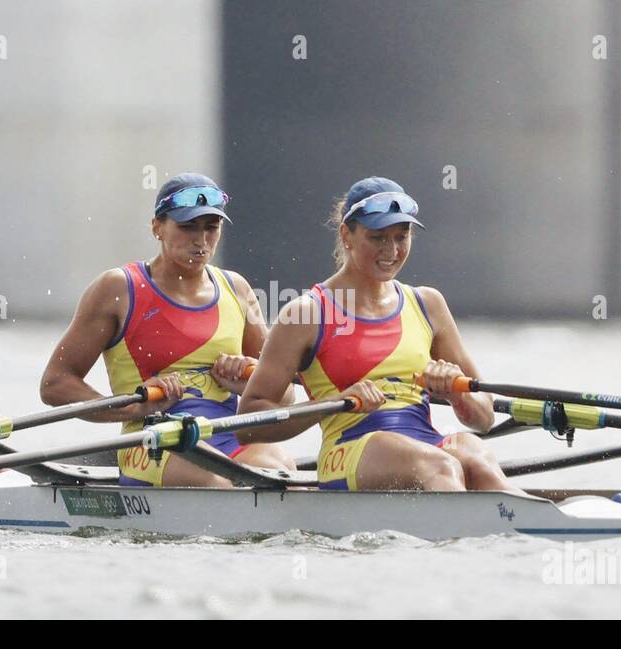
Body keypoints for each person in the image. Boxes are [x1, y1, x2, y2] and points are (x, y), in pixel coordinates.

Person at [238, 176, 508, 491]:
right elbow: (249, 423)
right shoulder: (306, 313)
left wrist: (456, 395)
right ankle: (468, 533)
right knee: (442, 466)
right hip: (348, 450)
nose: (391, 250)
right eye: (377, 237)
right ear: (347, 235)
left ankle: (529, 531)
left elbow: (484, 418)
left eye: (401, 236)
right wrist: (337, 401)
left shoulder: (428, 304)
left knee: (478, 456)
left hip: (425, 443)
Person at [40, 172, 294, 487]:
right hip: (150, 439)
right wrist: (131, 406)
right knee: (216, 485)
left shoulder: (236, 289)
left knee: (282, 473)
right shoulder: (117, 289)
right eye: (187, 227)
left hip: (226, 434)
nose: (201, 241)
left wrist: (251, 378)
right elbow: (55, 384)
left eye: (211, 228)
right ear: (157, 227)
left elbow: (285, 396)